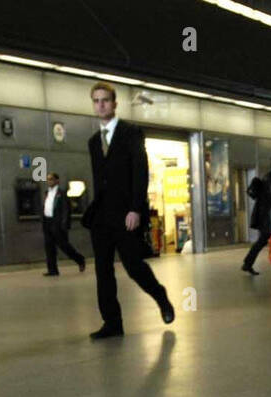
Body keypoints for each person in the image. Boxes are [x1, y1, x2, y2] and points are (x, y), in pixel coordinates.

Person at [82, 82, 174, 340]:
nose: (100, 105)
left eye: (105, 100)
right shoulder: (92, 142)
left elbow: (140, 172)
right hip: (102, 216)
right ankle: (112, 323)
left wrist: (135, 208)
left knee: (133, 265)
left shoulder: (131, 133)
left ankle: (161, 296)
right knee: (103, 271)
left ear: (114, 103)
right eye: (96, 101)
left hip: (125, 214)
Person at [41, 172, 85, 276]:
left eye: (51, 179)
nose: (49, 181)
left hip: (57, 223)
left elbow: (66, 210)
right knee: (49, 247)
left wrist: (64, 224)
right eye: (48, 179)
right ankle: (52, 270)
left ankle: (79, 259)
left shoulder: (62, 193)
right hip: (47, 223)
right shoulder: (46, 193)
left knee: (64, 246)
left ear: (57, 180)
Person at [241, 163, 271, 274]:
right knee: (262, 241)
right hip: (267, 217)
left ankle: (247, 263)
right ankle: (247, 263)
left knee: (262, 241)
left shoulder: (267, 178)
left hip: (264, 216)